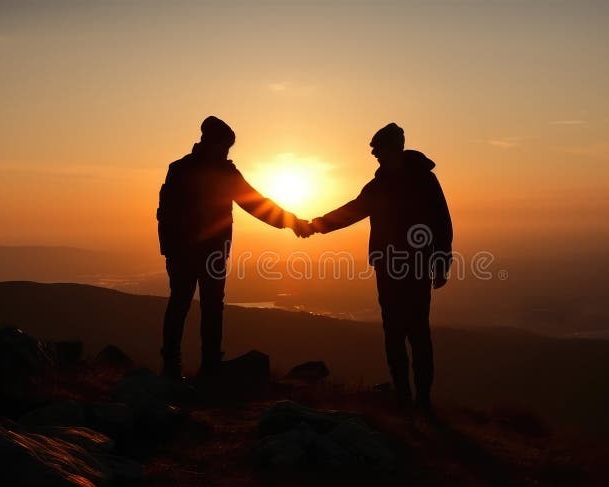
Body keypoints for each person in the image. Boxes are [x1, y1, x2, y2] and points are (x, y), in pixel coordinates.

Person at [307, 123, 452, 410]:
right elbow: (352, 211)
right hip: (390, 268)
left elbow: (441, 222)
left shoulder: (422, 180)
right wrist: (315, 226)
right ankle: (405, 396)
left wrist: (441, 262)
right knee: (397, 332)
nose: (374, 154)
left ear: (394, 148)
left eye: (378, 149)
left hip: (414, 267)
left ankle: (420, 398)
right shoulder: (382, 185)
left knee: (415, 333)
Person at [157, 116, 309, 378]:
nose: (227, 152)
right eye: (225, 147)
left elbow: (164, 213)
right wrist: (291, 222)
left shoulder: (181, 168)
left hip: (195, 252)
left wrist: (291, 222)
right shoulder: (217, 172)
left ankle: (182, 365)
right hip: (202, 252)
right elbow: (257, 204)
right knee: (205, 306)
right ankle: (200, 366)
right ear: (212, 142)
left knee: (187, 305)